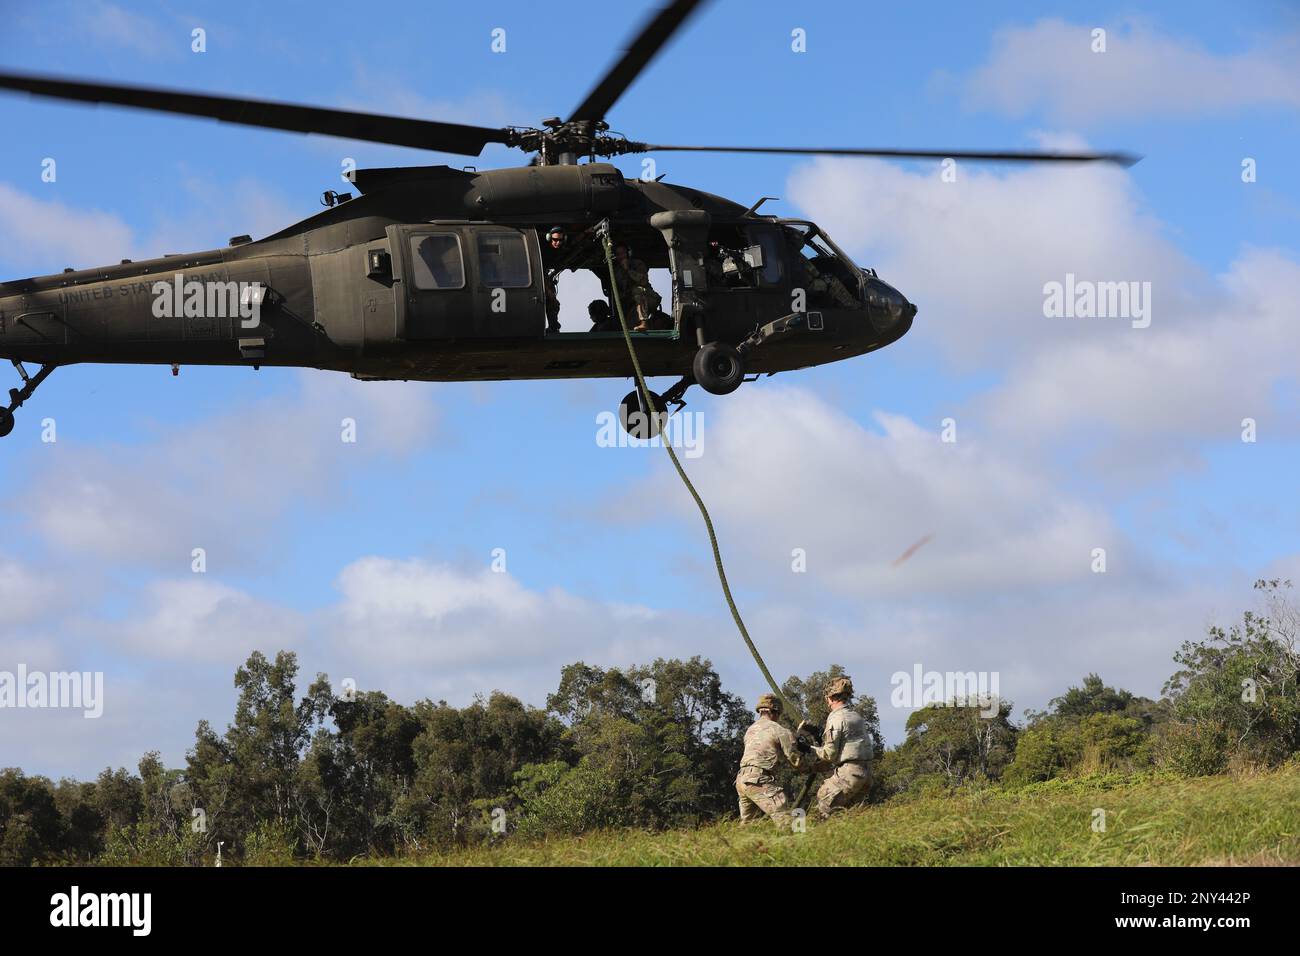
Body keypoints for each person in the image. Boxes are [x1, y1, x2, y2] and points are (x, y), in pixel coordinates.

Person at [736, 693, 815, 826]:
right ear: (776, 712)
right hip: (758, 780)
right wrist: (813, 766)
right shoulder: (779, 730)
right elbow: (795, 760)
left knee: (749, 826)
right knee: (787, 820)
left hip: (742, 780)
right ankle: (797, 843)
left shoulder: (750, 730)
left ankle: (744, 846)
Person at [799, 676, 873, 819]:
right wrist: (821, 733)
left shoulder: (835, 718)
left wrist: (808, 748)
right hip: (866, 774)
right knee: (847, 814)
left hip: (850, 773)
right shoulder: (855, 716)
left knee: (824, 799)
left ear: (830, 697)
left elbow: (829, 755)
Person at [612, 243, 661, 331]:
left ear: (628, 253)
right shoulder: (617, 271)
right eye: (618, 254)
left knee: (637, 290)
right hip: (633, 304)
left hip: (649, 297)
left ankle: (643, 323)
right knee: (629, 326)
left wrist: (628, 270)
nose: (621, 256)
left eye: (623, 253)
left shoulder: (638, 264)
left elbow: (643, 281)